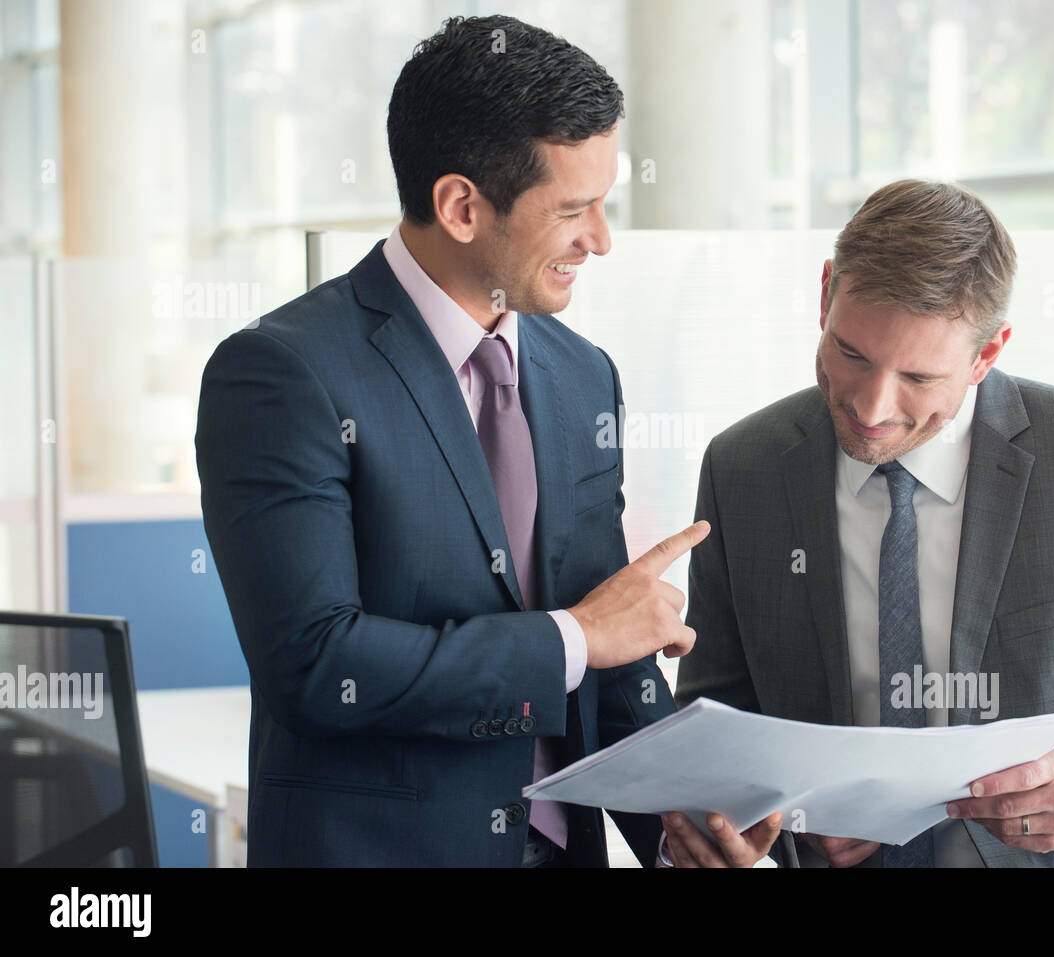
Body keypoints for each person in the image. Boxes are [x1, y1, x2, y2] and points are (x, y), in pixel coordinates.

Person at [195, 14, 736, 867]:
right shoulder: (282, 373)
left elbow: (605, 642)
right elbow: (316, 660)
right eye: (574, 210)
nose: (600, 238)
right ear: (460, 205)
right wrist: (575, 638)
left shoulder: (583, 374)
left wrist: (682, 822)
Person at [673, 179, 1054, 868]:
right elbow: (718, 730)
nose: (871, 406)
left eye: (918, 376)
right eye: (851, 352)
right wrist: (769, 819)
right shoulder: (744, 469)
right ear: (826, 293)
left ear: (987, 354)